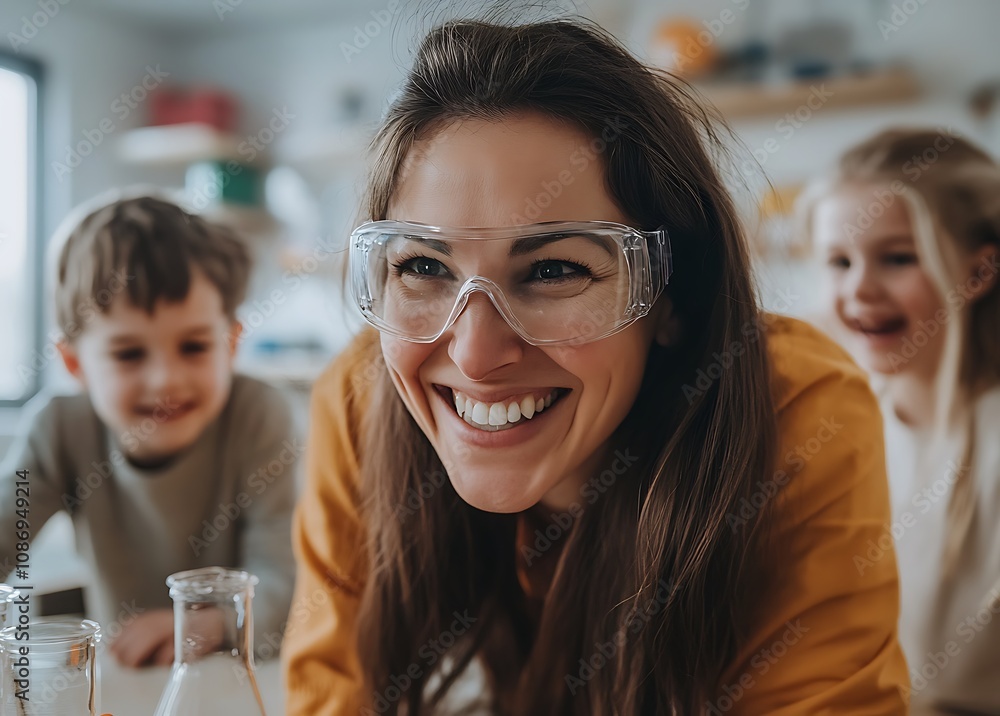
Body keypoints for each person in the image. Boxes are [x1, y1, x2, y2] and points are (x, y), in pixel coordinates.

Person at [282, 18, 909, 715]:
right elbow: (332, 694)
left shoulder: (795, 409)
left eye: (554, 270)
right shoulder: (361, 400)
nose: (475, 355)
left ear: (673, 298)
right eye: (424, 267)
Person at [0, 195, 299, 666]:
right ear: (75, 363)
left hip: (244, 678)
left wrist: (212, 624)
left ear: (230, 344)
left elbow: (286, 577)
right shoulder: (58, 428)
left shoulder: (260, 416)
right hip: (123, 682)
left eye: (194, 346)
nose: (165, 381)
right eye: (129, 354)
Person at [804, 128, 1000, 713]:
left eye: (897, 258)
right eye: (839, 261)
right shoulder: (826, 425)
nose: (859, 288)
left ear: (979, 271)